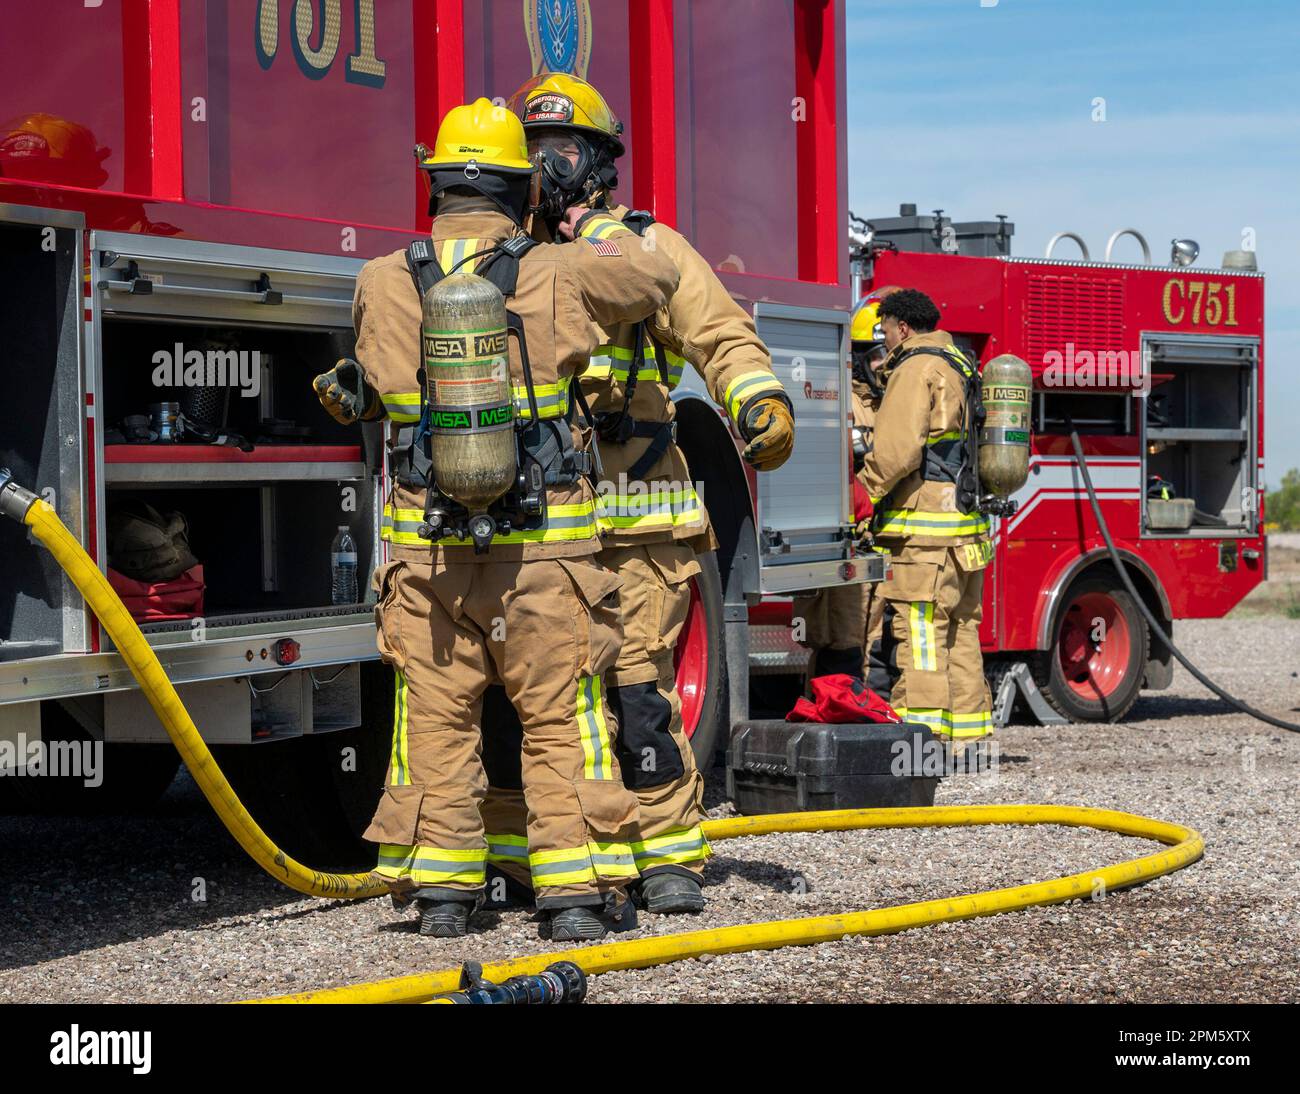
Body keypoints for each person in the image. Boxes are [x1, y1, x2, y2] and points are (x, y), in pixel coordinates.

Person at [313, 98, 679, 941]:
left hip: (427, 557)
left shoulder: (379, 279)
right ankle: (575, 900)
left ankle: (444, 895)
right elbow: (652, 277)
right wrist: (588, 215)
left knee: (437, 722)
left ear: (434, 183)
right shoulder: (559, 268)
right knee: (563, 722)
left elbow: (377, 391)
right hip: (544, 555)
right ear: (521, 187)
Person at [477, 72, 794, 916]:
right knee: (539, 707)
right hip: (541, 528)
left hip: (640, 519)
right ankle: (542, 866)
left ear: (601, 162)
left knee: (639, 697)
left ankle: (668, 863)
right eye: (534, 152)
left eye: (565, 152)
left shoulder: (645, 249)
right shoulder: (501, 258)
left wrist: (755, 397)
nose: (547, 169)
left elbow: (717, 329)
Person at [860, 288, 993, 749]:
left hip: (924, 535)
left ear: (902, 326)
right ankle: (969, 742)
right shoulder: (960, 362)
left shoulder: (916, 367)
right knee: (961, 632)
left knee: (920, 632)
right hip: (966, 532)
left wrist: (863, 491)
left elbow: (897, 450)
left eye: (885, 331)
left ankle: (923, 742)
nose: (885, 342)